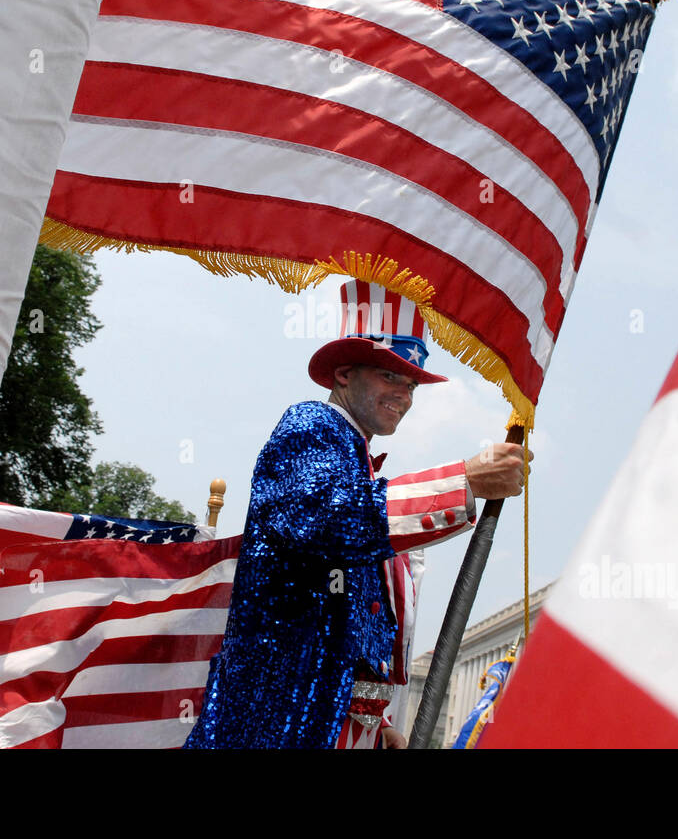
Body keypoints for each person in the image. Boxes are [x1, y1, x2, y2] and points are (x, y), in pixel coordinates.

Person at [184, 281, 529, 749]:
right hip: (274, 720)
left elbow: (351, 620)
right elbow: (324, 521)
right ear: (344, 374)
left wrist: (374, 722)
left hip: (330, 723)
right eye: (391, 377)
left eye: (411, 385)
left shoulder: (357, 457)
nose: (404, 396)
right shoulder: (311, 424)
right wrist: (462, 482)